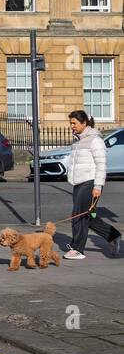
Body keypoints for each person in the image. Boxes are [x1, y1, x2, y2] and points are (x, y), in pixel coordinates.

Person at [65, 109, 115, 259]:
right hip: (78, 182)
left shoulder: (95, 140)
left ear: (84, 123)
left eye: (74, 123)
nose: (72, 126)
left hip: (90, 182)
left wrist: (98, 186)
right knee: (89, 216)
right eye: (71, 123)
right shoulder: (78, 140)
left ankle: (77, 249)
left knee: (77, 215)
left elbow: (101, 164)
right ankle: (113, 236)